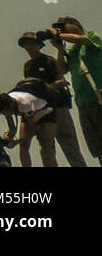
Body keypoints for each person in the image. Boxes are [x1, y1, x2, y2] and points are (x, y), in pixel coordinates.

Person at [19, 30, 87, 167]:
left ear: (39, 45)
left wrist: (50, 86)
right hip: (42, 112)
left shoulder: (49, 61)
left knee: (70, 145)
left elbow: (60, 80)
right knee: (47, 149)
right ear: (24, 46)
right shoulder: (28, 66)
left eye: (33, 43)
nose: (30, 46)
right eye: (28, 44)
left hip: (58, 107)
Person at [49, 17, 101, 162]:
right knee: (97, 146)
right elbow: (61, 69)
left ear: (75, 25)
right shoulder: (71, 53)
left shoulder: (92, 38)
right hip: (83, 104)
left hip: (98, 99)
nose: (62, 30)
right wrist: (60, 49)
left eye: (63, 26)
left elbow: (80, 39)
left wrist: (58, 35)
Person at [0, 83, 57, 168]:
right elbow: (12, 128)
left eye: (7, 112)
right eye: (4, 113)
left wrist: (17, 142)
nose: (7, 114)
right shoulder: (5, 101)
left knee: (46, 149)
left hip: (46, 113)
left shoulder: (25, 104)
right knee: (23, 148)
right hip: (29, 114)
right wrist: (8, 138)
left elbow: (32, 130)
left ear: (11, 106)